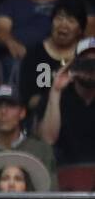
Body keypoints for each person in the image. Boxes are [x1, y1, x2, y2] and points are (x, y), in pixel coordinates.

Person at [20, 0, 85, 117]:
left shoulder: (86, 57)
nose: (63, 25)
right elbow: (28, 100)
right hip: (42, 117)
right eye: (59, 18)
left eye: (71, 20)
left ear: (80, 30)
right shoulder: (34, 54)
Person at [39, 37, 95, 165]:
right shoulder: (56, 96)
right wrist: (56, 91)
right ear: (74, 65)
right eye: (86, 64)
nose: (92, 70)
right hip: (64, 173)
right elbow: (48, 140)